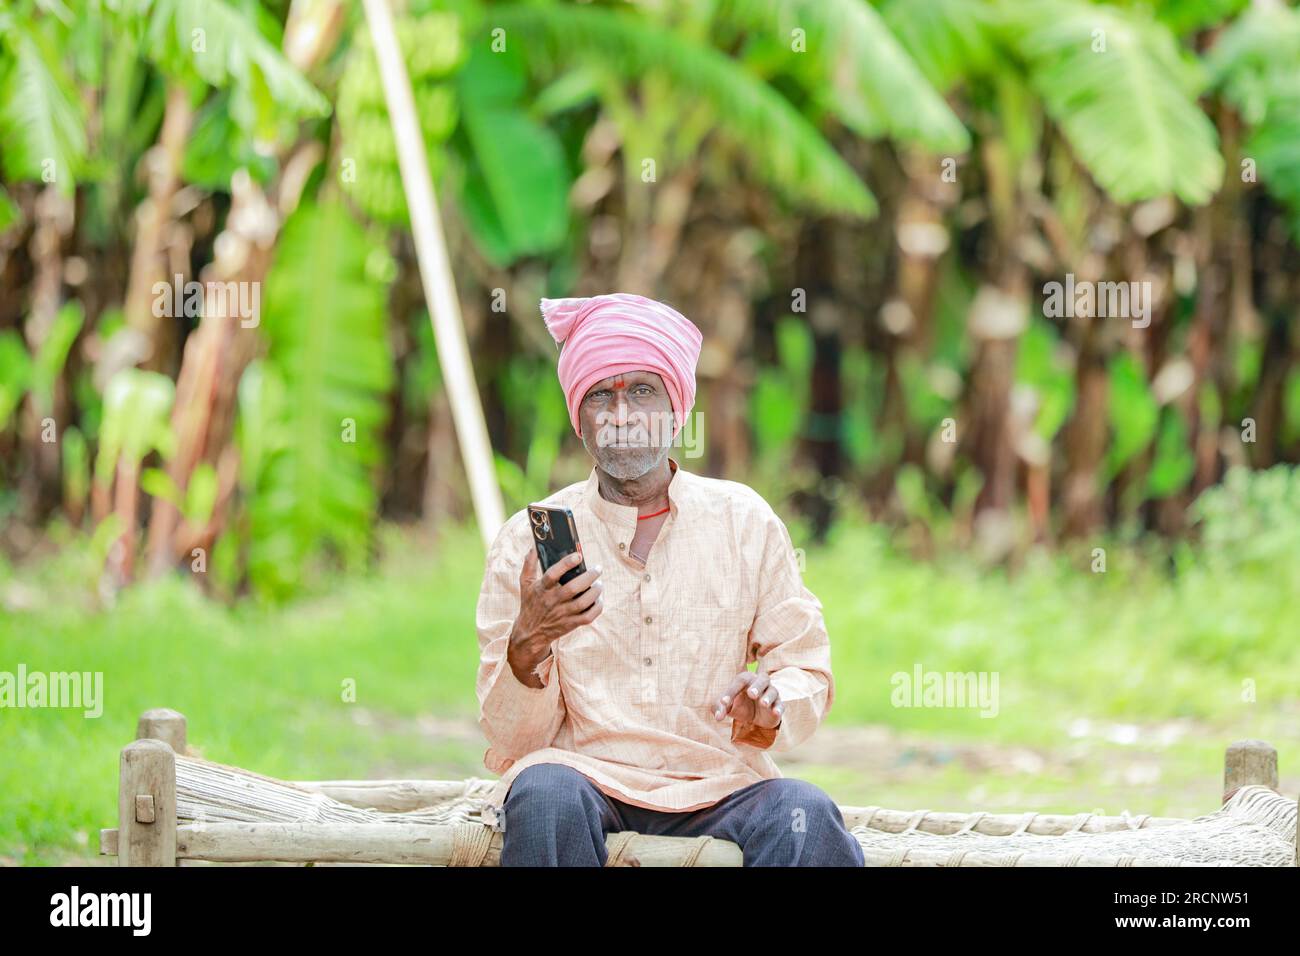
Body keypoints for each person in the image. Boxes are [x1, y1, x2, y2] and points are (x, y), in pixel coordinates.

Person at [474, 292, 864, 867]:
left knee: (805, 814)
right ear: (578, 415)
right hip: (586, 778)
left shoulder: (743, 520)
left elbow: (804, 662)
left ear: (677, 408)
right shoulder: (527, 541)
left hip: (719, 783)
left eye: (642, 392)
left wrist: (772, 699)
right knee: (544, 795)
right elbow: (514, 742)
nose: (623, 414)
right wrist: (528, 642)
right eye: (601, 394)